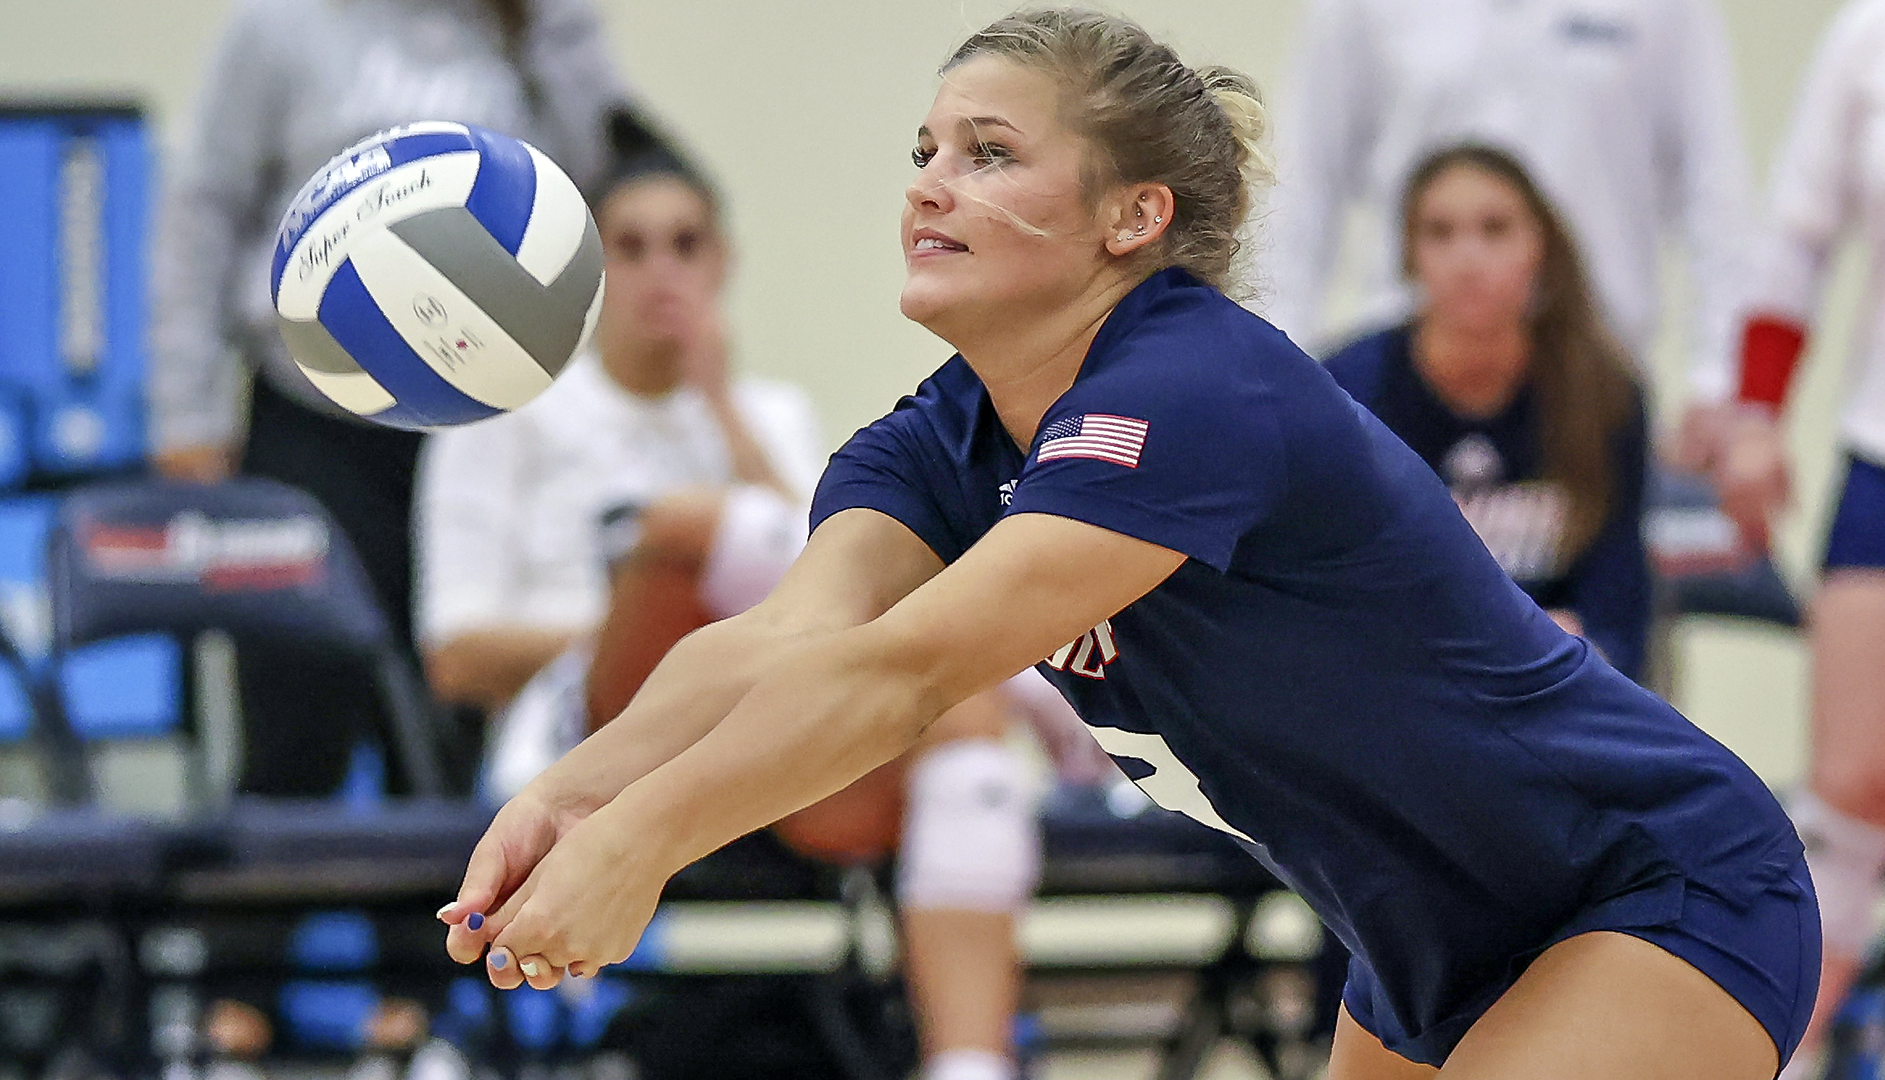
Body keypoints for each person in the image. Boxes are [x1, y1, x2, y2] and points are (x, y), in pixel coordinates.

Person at [437, 11, 1817, 1077]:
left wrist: (647, 848)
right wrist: (573, 796)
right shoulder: (932, 442)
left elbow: (902, 677)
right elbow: (788, 640)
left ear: (1133, 218)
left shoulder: (1197, 387)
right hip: (1424, 943)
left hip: (1647, 880)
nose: (932, 184)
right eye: (923, 151)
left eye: (989, 153)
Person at [416, 114, 1040, 1080]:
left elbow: (844, 590)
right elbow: (457, 655)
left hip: (787, 732)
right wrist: (645, 608)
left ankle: (969, 1066)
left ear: (725, 263)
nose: (661, 271)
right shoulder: (512, 416)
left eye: (686, 244)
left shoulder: (772, 414)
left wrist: (718, 405)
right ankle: (1053, 678)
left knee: (962, 719)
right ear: (585, 272)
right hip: (597, 715)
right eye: (629, 248)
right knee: (672, 540)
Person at [150, 0, 624, 797]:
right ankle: (251, 924)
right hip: (313, 424)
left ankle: (435, 922)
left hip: (475, 429)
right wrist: (184, 411)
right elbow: (202, 210)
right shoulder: (280, 27)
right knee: (296, 722)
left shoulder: (533, 29)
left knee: (440, 738)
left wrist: (554, 28)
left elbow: (594, 185)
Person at [1263, 0, 1754, 466]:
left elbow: (1714, 188)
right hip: (1404, 382)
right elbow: (1303, 185)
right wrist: (1277, 376)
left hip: (1594, 381)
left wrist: (1719, 380)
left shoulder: (1665, 12)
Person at [1710, 2, 1885, 1072]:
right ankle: (1771, 1057)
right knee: (1852, 783)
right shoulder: (1866, 34)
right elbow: (1796, 237)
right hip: (1880, 448)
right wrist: (1756, 416)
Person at [1325, 145, 1651, 679]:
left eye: (1495, 229)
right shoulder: (1344, 392)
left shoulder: (1604, 395)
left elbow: (1618, 599)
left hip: (1557, 686)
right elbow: (1330, 593)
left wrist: (1580, 648)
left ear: (1539, 247)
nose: (1467, 258)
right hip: (1399, 686)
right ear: (1410, 255)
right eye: (1440, 232)